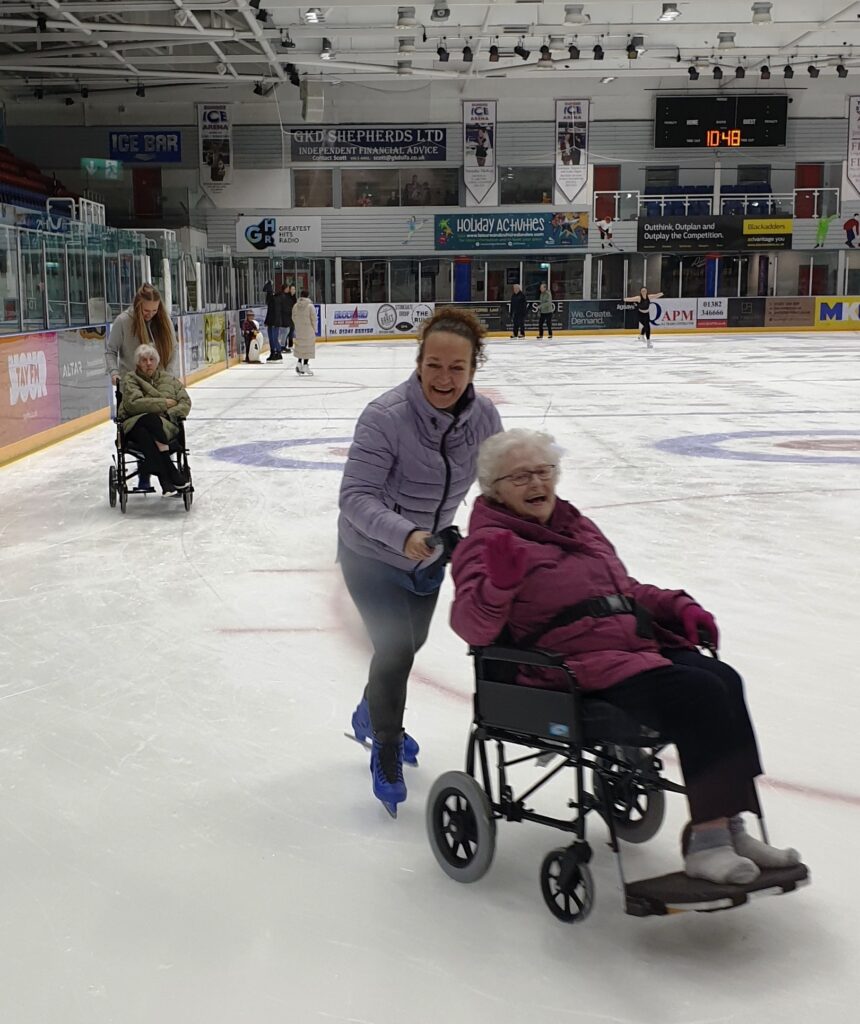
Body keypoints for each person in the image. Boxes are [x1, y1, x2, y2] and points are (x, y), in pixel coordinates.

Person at [450, 428, 801, 885]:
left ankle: (731, 824)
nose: (536, 484)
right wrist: (497, 586)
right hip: (567, 670)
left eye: (543, 472)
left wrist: (677, 605)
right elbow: (472, 626)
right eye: (520, 477)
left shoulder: (576, 525)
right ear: (494, 490)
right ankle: (708, 842)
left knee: (723, 678)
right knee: (699, 692)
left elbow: (624, 589)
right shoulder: (489, 542)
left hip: (628, 649)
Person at [338, 308, 503, 815]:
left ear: (474, 369)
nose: (443, 378)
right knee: (395, 650)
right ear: (419, 362)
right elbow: (356, 496)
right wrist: (403, 533)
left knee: (413, 642)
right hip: (370, 553)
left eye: (457, 368)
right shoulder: (385, 416)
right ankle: (385, 744)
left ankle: (370, 712)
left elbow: (497, 485)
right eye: (433, 365)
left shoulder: (484, 419)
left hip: (428, 556)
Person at [106, 283, 180, 491]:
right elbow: (110, 351)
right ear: (138, 306)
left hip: (159, 383)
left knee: (155, 423)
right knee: (145, 422)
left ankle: (159, 474)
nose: (150, 315)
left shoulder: (162, 322)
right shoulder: (123, 322)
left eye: (155, 311)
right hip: (132, 386)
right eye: (146, 311)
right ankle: (164, 473)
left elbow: (173, 351)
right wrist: (114, 373)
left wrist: (169, 377)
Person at [117, 343, 191, 495]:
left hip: (165, 426)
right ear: (138, 363)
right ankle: (170, 472)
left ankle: (160, 472)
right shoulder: (131, 379)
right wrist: (163, 404)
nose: (148, 363)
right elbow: (133, 405)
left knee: (150, 426)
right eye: (144, 360)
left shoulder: (169, 380)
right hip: (134, 424)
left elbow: (185, 403)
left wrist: (168, 414)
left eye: (151, 359)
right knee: (150, 419)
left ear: (157, 362)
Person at [290, 290, 317, 376]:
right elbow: (314, 318)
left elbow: (293, 317)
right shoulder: (310, 306)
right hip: (308, 329)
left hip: (299, 329)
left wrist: (297, 325)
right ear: (308, 296)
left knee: (300, 346)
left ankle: (299, 363)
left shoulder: (295, 306)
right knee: (308, 347)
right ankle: (305, 364)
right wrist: (314, 329)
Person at [263, 281, 282, 361]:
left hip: (274, 322)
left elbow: (276, 312)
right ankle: (273, 352)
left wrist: (274, 322)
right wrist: (267, 322)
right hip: (271, 322)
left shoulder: (274, 300)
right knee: (271, 338)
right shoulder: (271, 300)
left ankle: (278, 352)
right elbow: (269, 312)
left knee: (274, 338)